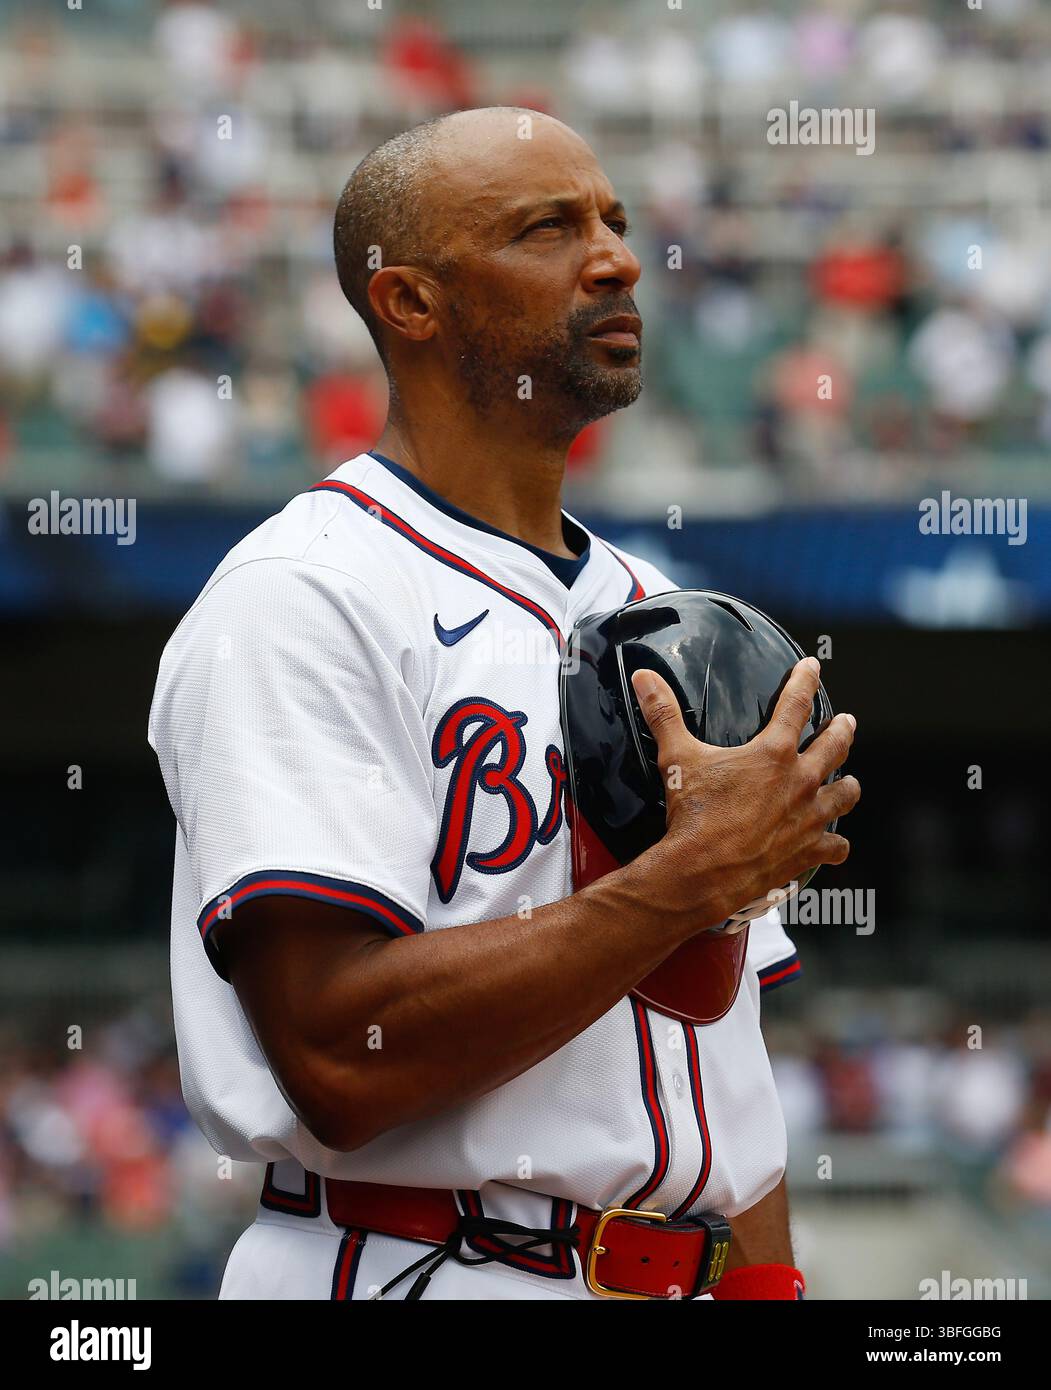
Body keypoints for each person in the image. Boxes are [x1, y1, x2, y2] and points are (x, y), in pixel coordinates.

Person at [148, 107, 860, 1300]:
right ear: (409, 302)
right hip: (413, 1258)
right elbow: (340, 1054)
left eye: (617, 223)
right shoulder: (301, 595)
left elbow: (722, 1068)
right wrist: (683, 879)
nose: (616, 257)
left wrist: (764, 1289)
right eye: (548, 228)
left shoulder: (664, 604)